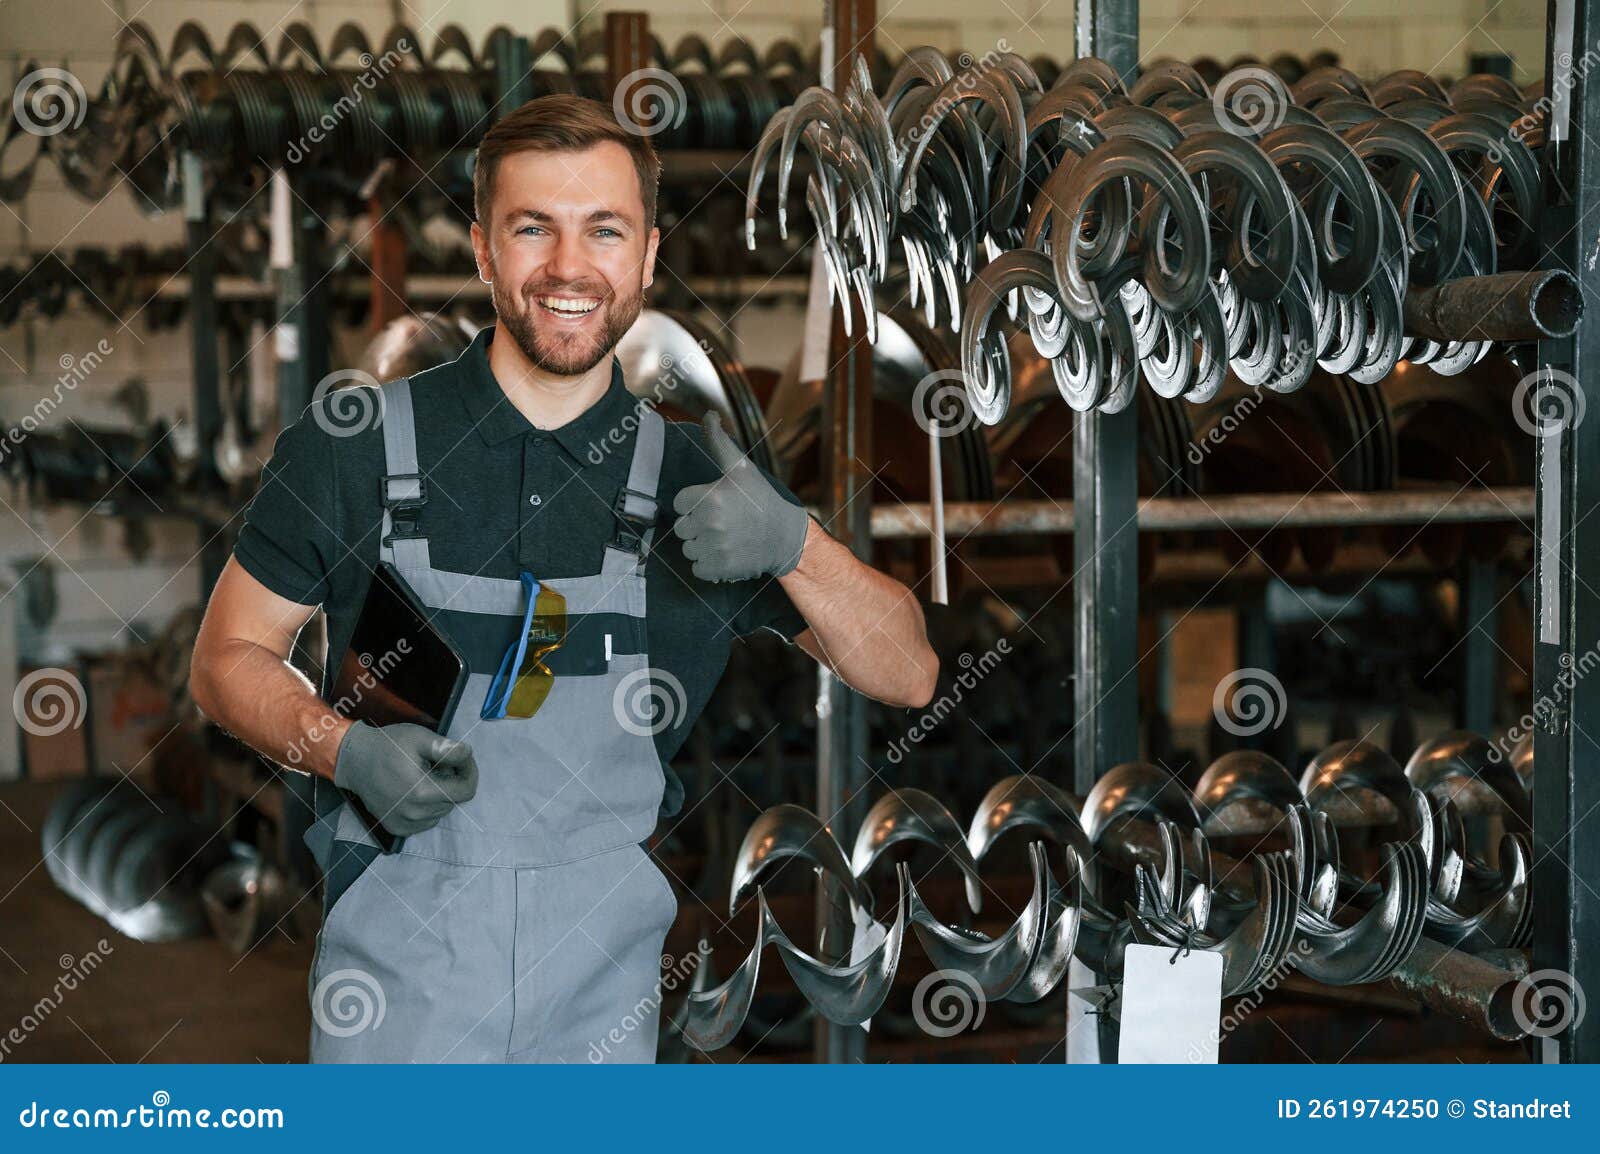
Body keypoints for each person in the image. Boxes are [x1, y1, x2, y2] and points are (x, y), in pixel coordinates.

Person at [188, 94, 938, 1064]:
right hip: (399, 995)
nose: (569, 267)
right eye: (532, 228)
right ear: (482, 249)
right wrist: (338, 749)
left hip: (603, 998)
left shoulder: (697, 482)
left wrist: (795, 542)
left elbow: (908, 671)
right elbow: (226, 658)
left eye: (604, 230)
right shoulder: (355, 446)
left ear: (647, 256)